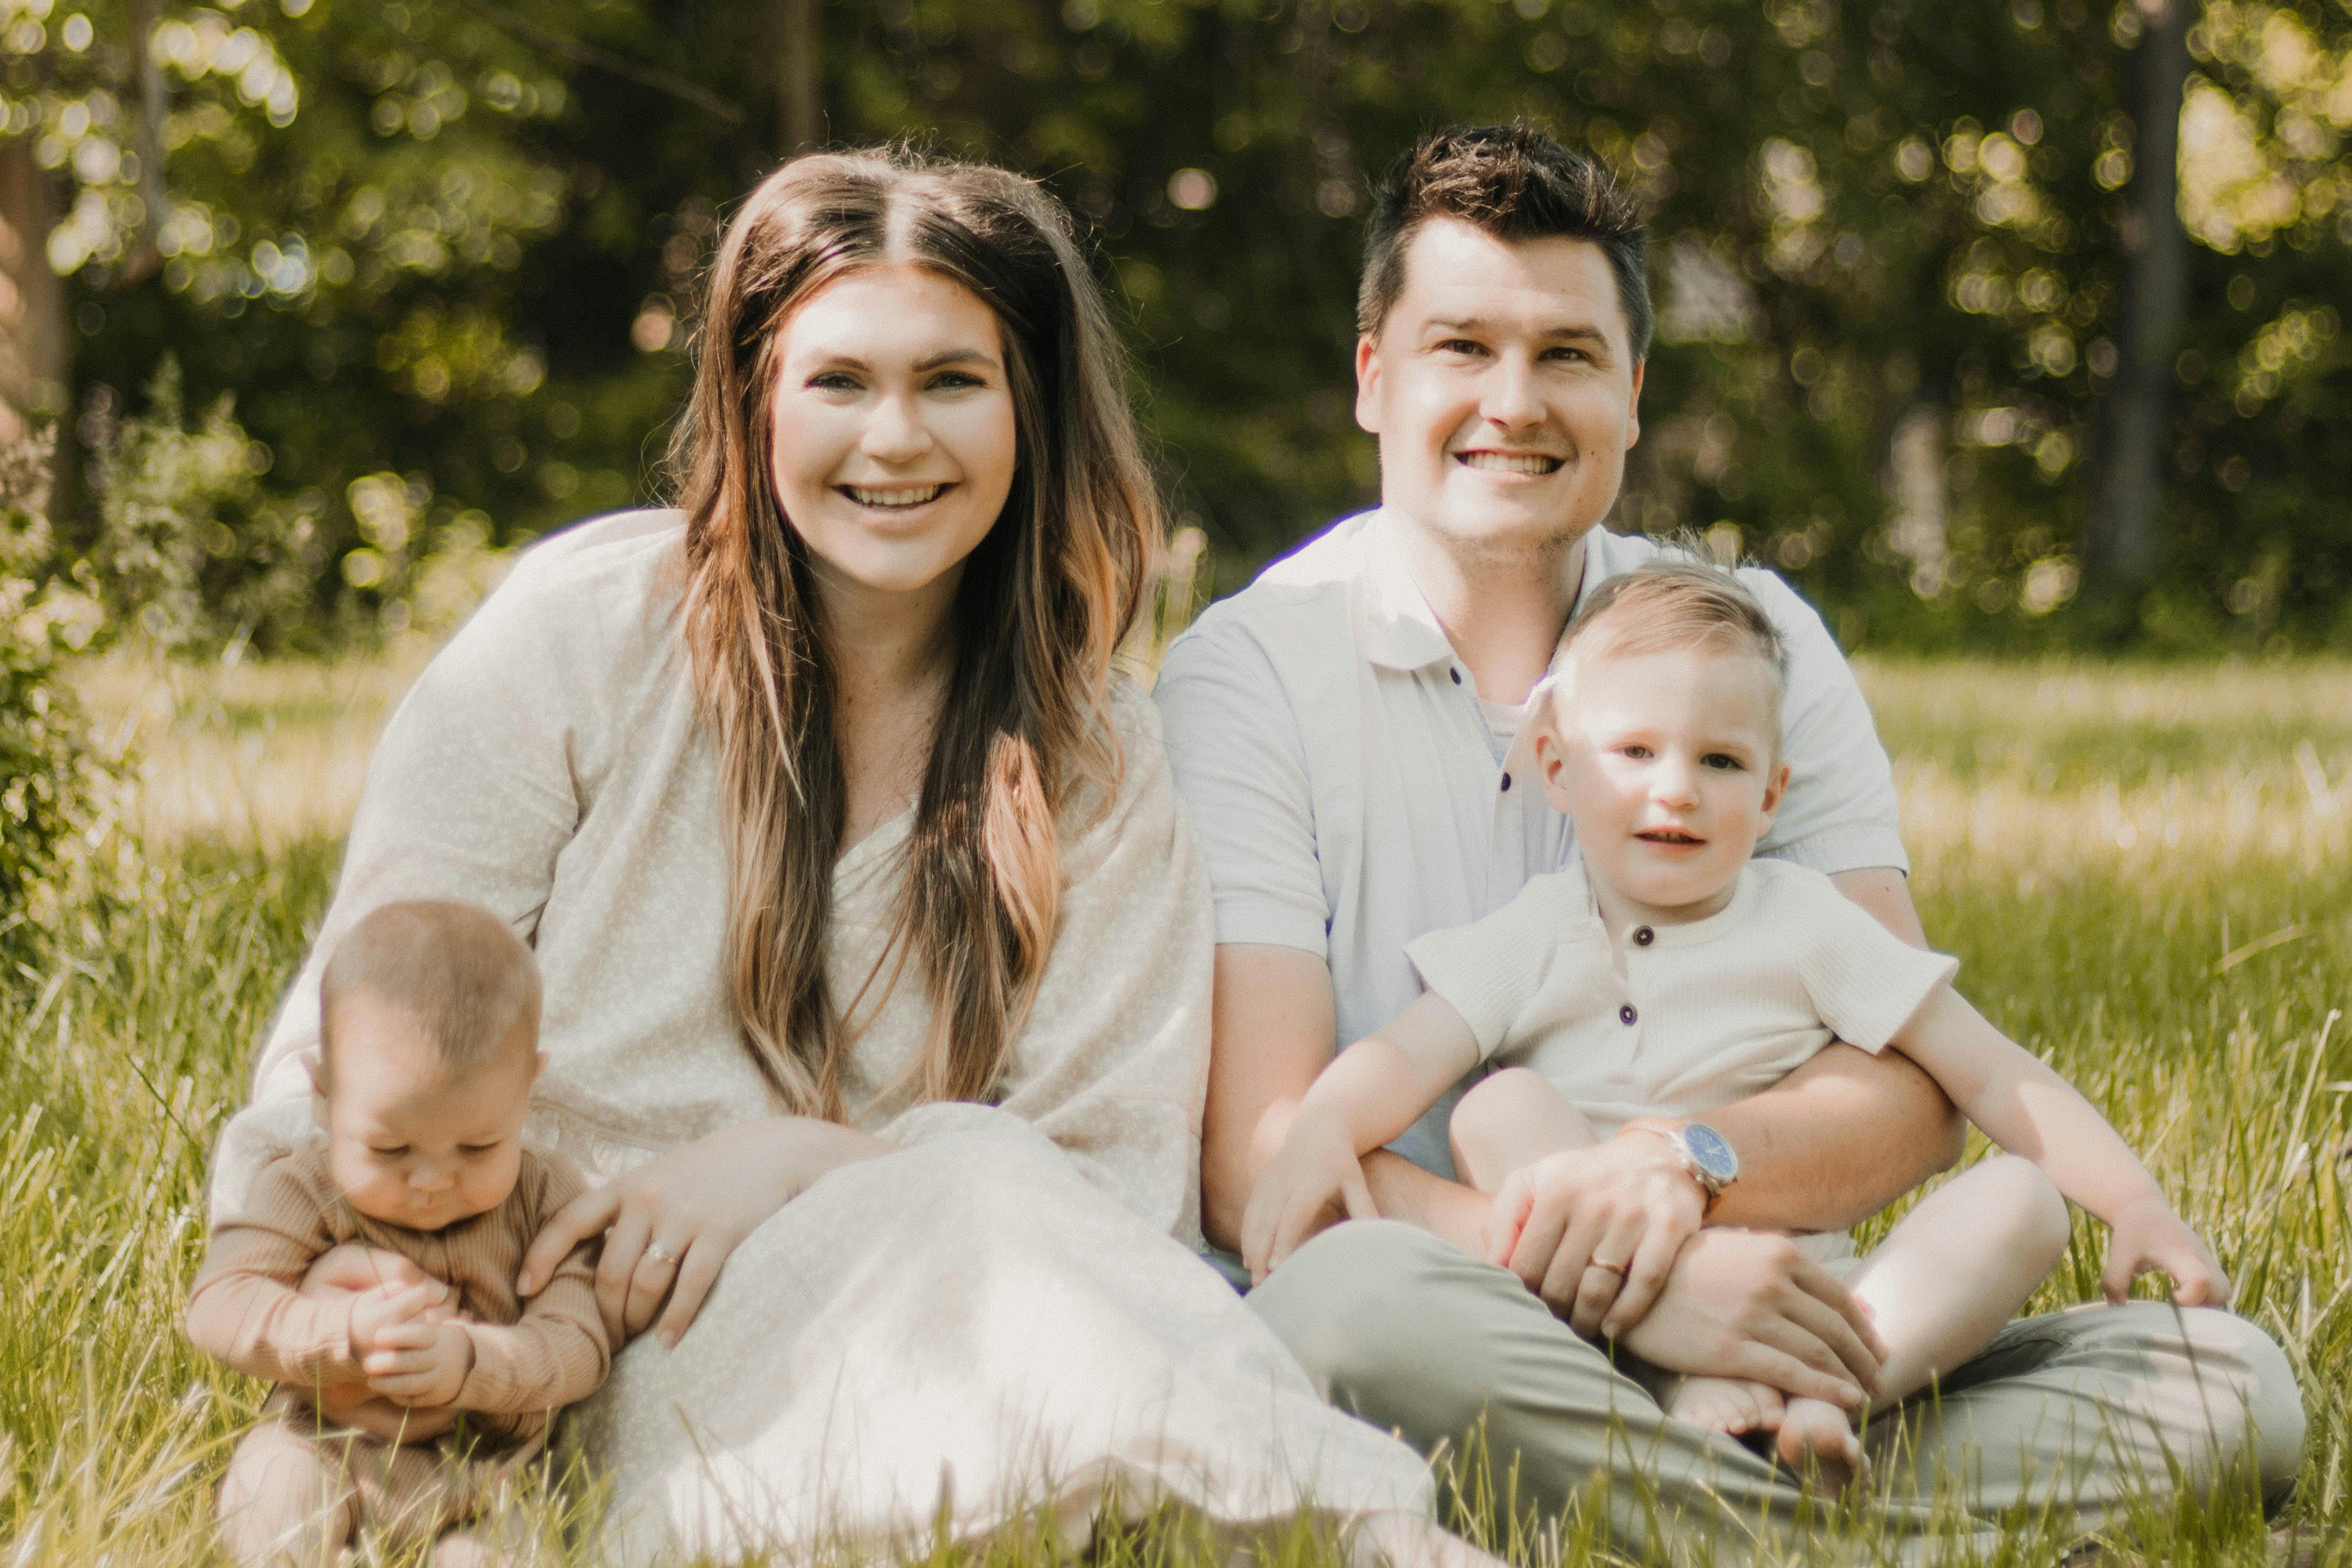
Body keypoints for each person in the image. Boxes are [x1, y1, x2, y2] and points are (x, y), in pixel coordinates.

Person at [205, 150, 1473, 1566]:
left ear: (1031, 410)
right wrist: (347, 1307)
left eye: (952, 381)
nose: (894, 440)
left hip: (937, 1310)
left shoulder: (1091, 754)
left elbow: (1108, 1194)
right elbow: (349, 1047)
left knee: (1003, 1212)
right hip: (560, 1327)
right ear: (751, 401)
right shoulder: (584, 636)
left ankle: (1349, 1533)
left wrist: (800, 1161)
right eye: (839, 382)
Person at [1152, 122, 2302, 1554]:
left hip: (1783, 1314)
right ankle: (1817, 1522)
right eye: (1462, 346)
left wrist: (1678, 1166)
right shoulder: (1252, 669)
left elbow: (1907, 1092)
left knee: (2230, 1388)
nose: (1515, 400)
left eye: (1567, 353)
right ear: (1375, 377)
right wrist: (1631, 1290)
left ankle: (1702, 1501)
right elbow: (1261, 1158)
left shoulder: (1747, 642)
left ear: (1633, 395)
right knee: (1336, 1311)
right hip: (1458, 1296)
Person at [1240, 558, 2233, 1493]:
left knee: (2022, 1202)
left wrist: (2135, 1202)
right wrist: (1321, 1126)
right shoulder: (1535, 933)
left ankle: (1812, 1408)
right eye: (1633, 752)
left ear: (1770, 795)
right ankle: (1695, 1400)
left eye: (1718, 761)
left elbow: (1990, 1074)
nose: (1675, 788)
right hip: (1596, 1304)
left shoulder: (1806, 922)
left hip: (1808, 1305)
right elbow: (1405, 1059)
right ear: (1556, 765)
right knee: (1499, 1109)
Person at [188, 900, 610, 1566]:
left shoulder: (545, 1195)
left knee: (500, 1555)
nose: (432, 1181)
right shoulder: (305, 1185)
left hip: (485, 1477)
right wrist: (339, 1333)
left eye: (478, 1147)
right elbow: (219, 1302)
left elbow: (582, 1342)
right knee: (271, 1485)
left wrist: (474, 1362)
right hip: (325, 1447)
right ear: (324, 1096)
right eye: (390, 1150)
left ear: (528, 1087)